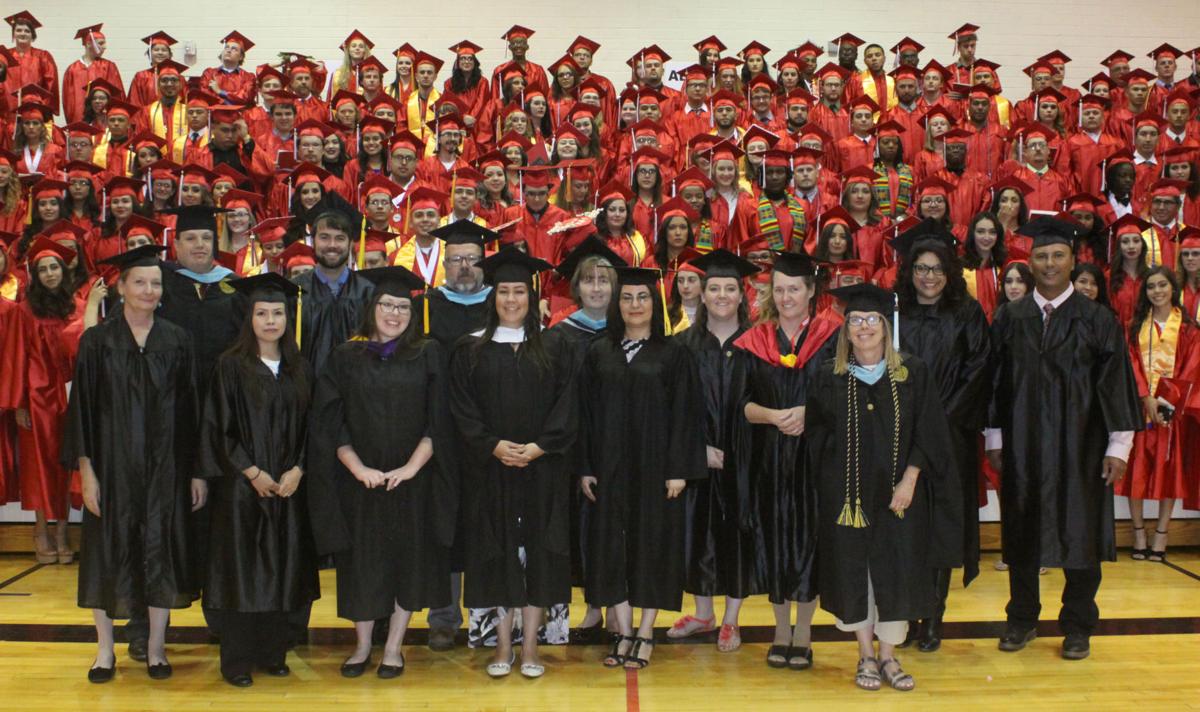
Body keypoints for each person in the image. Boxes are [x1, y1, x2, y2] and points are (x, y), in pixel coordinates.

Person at [986, 216, 1142, 661]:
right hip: (1023, 445)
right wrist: (994, 437)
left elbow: (1116, 385)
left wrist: (1119, 447)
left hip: (1082, 448)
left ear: (1074, 260)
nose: (1050, 263)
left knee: (1081, 536)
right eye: (1041, 256)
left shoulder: (1097, 319)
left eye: (1058, 255)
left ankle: (1077, 625)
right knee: (1021, 533)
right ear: (1030, 262)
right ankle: (1021, 619)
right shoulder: (1010, 317)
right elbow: (995, 383)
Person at [806, 282, 962, 692]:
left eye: (872, 319)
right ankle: (865, 655)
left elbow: (929, 431)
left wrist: (910, 480)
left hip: (900, 497)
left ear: (886, 325)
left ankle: (889, 656)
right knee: (855, 572)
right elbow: (816, 437)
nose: (864, 327)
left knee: (899, 569)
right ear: (846, 329)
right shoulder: (829, 376)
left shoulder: (912, 372)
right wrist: (839, 481)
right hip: (849, 500)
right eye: (855, 320)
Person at [307, 265, 457, 679]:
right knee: (362, 565)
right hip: (360, 483)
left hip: (413, 482)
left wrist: (410, 468)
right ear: (371, 308)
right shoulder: (346, 357)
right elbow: (329, 422)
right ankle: (361, 646)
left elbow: (438, 421)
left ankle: (393, 646)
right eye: (387, 305)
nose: (394, 314)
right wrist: (358, 468)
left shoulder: (428, 354)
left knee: (407, 562)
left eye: (402, 307)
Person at [63, 245, 203, 683]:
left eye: (155, 283)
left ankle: (157, 648)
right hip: (112, 468)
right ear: (120, 287)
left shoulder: (177, 340)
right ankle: (105, 651)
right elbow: (82, 410)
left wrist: (197, 472)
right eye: (139, 282)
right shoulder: (97, 342)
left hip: (166, 468)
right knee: (108, 553)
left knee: (161, 553)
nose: (148, 290)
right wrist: (87, 473)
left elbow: (192, 411)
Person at [450, 248, 577, 678]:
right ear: (493, 296)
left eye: (519, 291)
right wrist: (492, 446)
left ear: (531, 296)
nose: (511, 299)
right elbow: (461, 408)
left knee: (540, 552)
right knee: (497, 551)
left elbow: (568, 404)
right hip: (491, 470)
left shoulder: (555, 345)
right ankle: (502, 645)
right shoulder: (471, 348)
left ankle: (531, 647)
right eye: (503, 291)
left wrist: (541, 446)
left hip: (543, 469)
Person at [580, 266, 706, 670]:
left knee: (652, 547)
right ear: (616, 305)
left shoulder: (674, 353)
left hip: (656, 469)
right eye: (627, 298)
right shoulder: (599, 351)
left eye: (643, 297)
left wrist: (679, 469)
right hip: (609, 468)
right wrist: (586, 466)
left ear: (655, 304)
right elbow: (585, 414)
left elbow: (686, 413)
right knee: (611, 547)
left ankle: (647, 632)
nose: (635, 305)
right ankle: (623, 630)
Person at [199, 273, 319, 687]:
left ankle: (274, 652)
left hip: (288, 487)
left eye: (278, 313)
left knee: (284, 568)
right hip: (241, 490)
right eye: (262, 313)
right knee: (243, 573)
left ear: (288, 318)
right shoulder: (230, 366)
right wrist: (252, 472)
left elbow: (312, 429)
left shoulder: (300, 369)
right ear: (248, 318)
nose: (270, 321)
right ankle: (236, 660)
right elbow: (218, 427)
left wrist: (298, 469)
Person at [736, 250, 840, 669]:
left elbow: (844, 398)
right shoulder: (755, 341)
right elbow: (741, 405)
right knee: (775, 540)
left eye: (793, 289)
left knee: (810, 541)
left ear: (811, 291)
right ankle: (781, 630)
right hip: (770, 460)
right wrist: (773, 416)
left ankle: (805, 632)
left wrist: (808, 414)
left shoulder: (833, 338)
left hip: (815, 458)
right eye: (779, 290)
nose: (785, 297)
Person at [894, 226, 991, 652]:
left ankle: (933, 617)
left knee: (942, 528)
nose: (928, 277)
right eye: (920, 268)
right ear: (909, 271)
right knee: (905, 527)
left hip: (951, 437)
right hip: (900, 435)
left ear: (949, 272)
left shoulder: (967, 313)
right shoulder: (895, 312)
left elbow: (978, 369)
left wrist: (938, 420)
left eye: (936, 269)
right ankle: (906, 612)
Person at [669, 250, 760, 653]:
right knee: (696, 533)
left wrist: (739, 450)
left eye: (730, 288)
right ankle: (703, 613)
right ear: (702, 295)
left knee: (738, 534)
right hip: (699, 456)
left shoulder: (759, 343)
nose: (722, 295)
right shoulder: (683, 345)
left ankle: (731, 619)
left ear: (742, 295)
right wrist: (696, 449)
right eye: (715, 288)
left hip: (746, 457)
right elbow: (673, 407)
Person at [10, 237, 86, 564]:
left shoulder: (79, 306)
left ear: (63, 270)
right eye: (43, 269)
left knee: (67, 465)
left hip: (71, 396)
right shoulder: (24, 311)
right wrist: (19, 403)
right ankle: (41, 529)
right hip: (37, 397)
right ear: (35, 275)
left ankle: (63, 532)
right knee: (38, 465)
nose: (50, 273)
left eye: (54, 267)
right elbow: (16, 357)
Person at [1119, 267, 1200, 562]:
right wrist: (1146, 397)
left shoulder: (1189, 329)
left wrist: (1166, 401)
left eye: (1162, 285)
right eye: (1151, 286)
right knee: (1136, 471)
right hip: (1141, 408)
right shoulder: (1134, 326)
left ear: (1172, 288)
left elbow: (1191, 368)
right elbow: (1130, 364)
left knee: (1171, 472)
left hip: (1171, 411)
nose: (1157, 291)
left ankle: (1162, 533)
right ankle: (1138, 532)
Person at [292, 210, 376, 375]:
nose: (332, 245)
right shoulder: (295, 291)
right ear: (313, 242)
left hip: (357, 384)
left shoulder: (367, 292)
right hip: (307, 386)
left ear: (350, 244)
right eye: (324, 237)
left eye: (340, 238)